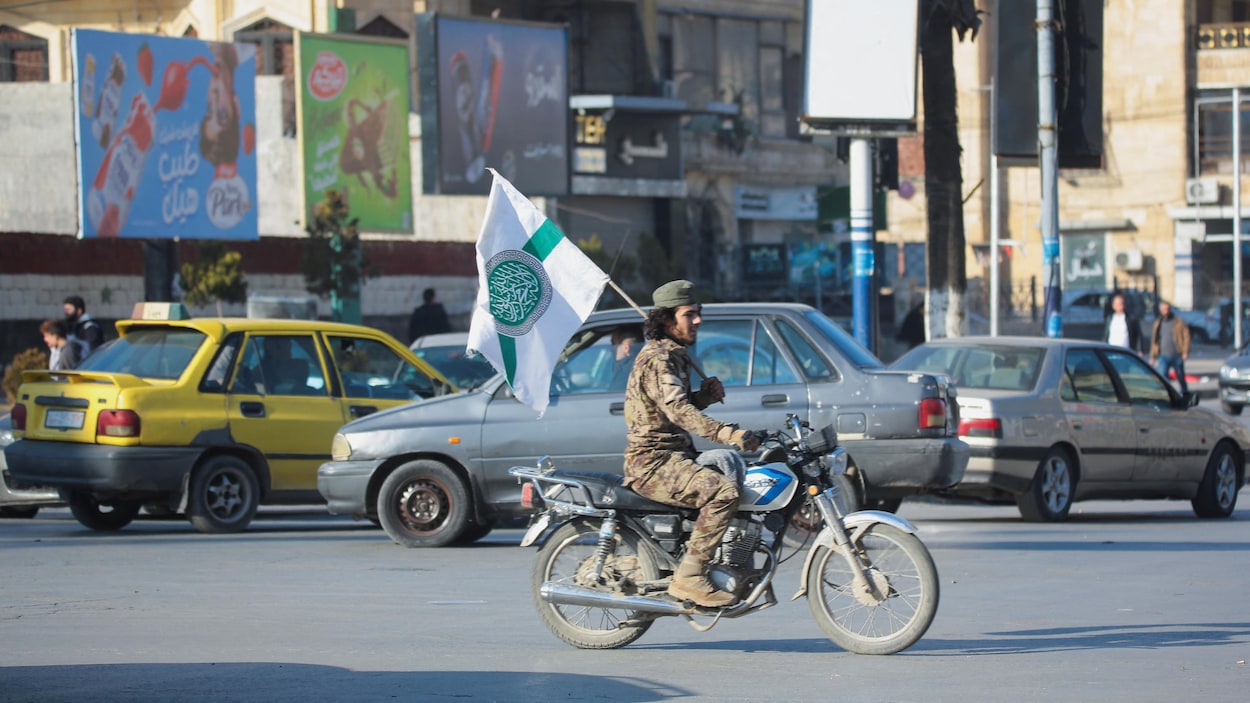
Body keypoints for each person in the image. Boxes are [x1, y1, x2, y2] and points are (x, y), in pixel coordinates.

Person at [623, 280, 760, 608]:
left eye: (698, 313)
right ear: (668, 320)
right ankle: (690, 577)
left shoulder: (675, 356)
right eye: (689, 315)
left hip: (675, 455)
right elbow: (678, 411)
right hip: (653, 462)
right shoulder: (658, 359)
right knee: (723, 492)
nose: (697, 320)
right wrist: (728, 434)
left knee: (736, 475)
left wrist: (704, 397)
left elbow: (673, 409)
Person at [1150, 301, 1191, 394]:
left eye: (1167, 309)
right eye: (1163, 309)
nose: (1165, 311)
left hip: (1176, 354)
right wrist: (1152, 356)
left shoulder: (1178, 322)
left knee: (1180, 376)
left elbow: (1186, 336)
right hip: (1162, 355)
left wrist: (1185, 351)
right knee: (1163, 377)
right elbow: (1154, 340)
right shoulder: (1158, 323)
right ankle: (1166, 394)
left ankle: (1185, 393)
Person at [63, 295, 104, 359]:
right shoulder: (72, 326)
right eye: (65, 310)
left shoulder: (90, 327)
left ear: (79, 311)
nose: (66, 313)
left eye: (69, 310)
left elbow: (93, 349)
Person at [609, 324, 643, 391]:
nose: (611, 349)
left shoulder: (625, 374)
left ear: (626, 348)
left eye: (613, 344)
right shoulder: (645, 365)